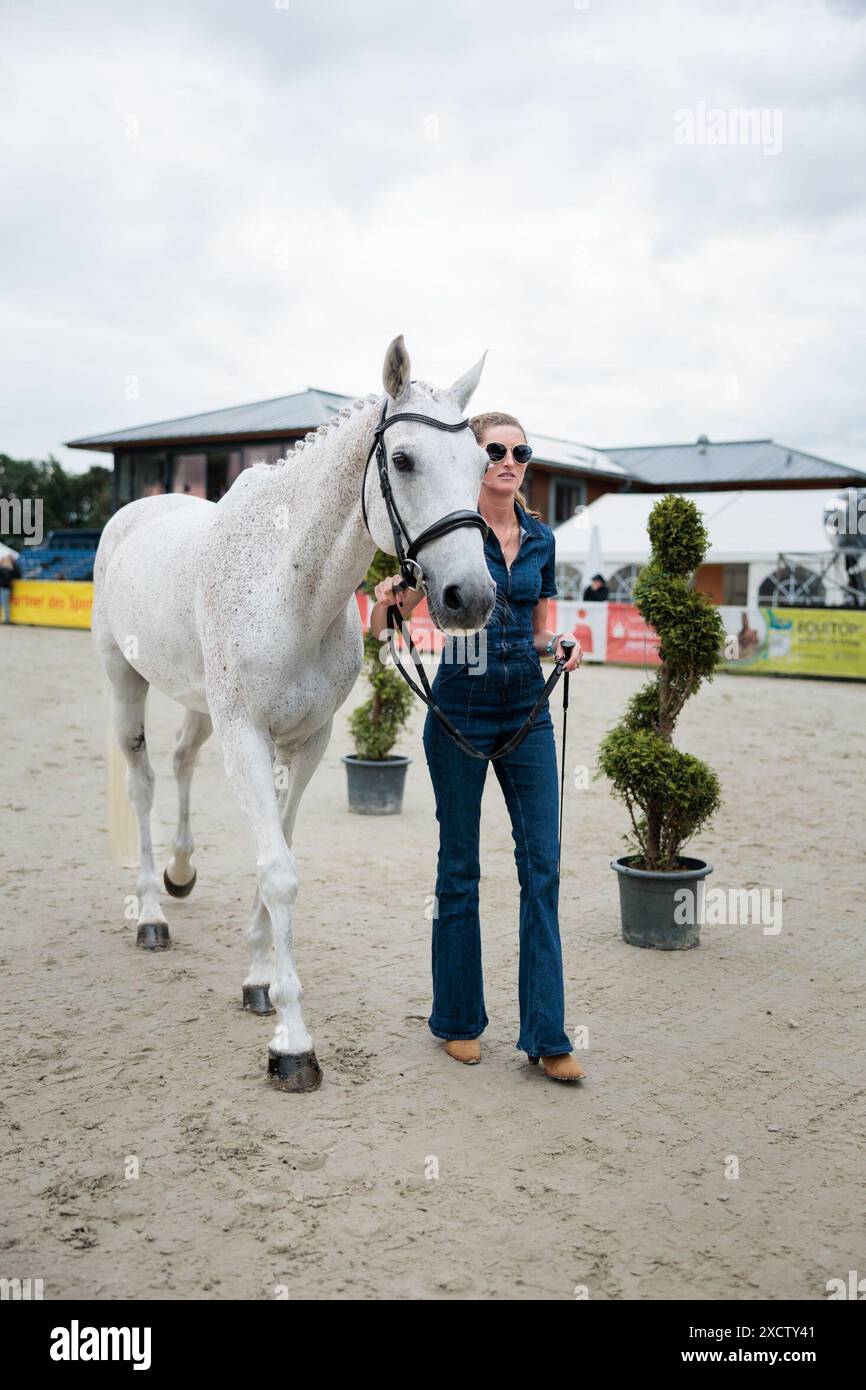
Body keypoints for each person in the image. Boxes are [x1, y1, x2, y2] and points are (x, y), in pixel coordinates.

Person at [369, 411, 585, 1085]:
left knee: (542, 866)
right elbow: (384, 615)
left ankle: (547, 1034)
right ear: (474, 457)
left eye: (522, 451)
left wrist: (562, 648)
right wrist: (385, 601)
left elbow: (540, 628)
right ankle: (459, 1021)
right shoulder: (443, 535)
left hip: (527, 708)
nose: (510, 459)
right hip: (459, 703)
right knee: (459, 868)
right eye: (498, 449)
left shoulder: (543, 540)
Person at [0, 552, 21, 624]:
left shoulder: (8, 570)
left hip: (5, 589)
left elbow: (6, 580)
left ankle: (7, 620)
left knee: (5, 605)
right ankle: (6, 619)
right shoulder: (7, 569)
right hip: (5, 588)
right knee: (4, 605)